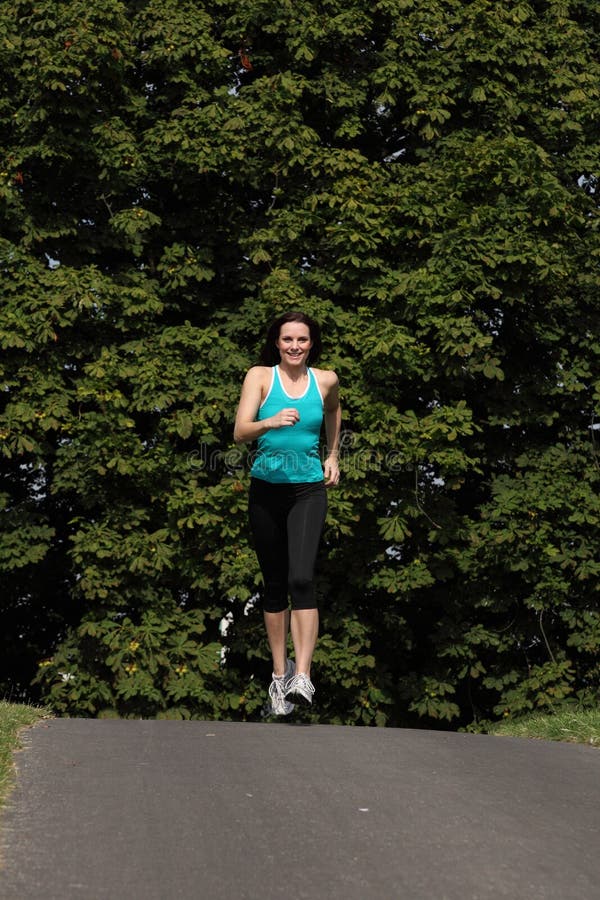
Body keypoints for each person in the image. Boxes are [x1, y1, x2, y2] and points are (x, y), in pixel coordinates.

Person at [233, 311, 341, 715]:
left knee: (301, 577)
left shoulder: (325, 380)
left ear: (312, 343)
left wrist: (333, 454)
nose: (295, 346)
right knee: (275, 584)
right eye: (287, 340)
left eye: (302, 340)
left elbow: (333, 411)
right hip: (265, 491)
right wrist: (270, 421)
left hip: (308, 490)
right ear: (276, 343)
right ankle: (279, 677)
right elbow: (240, 431)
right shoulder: (259, 377)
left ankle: (304, 677)